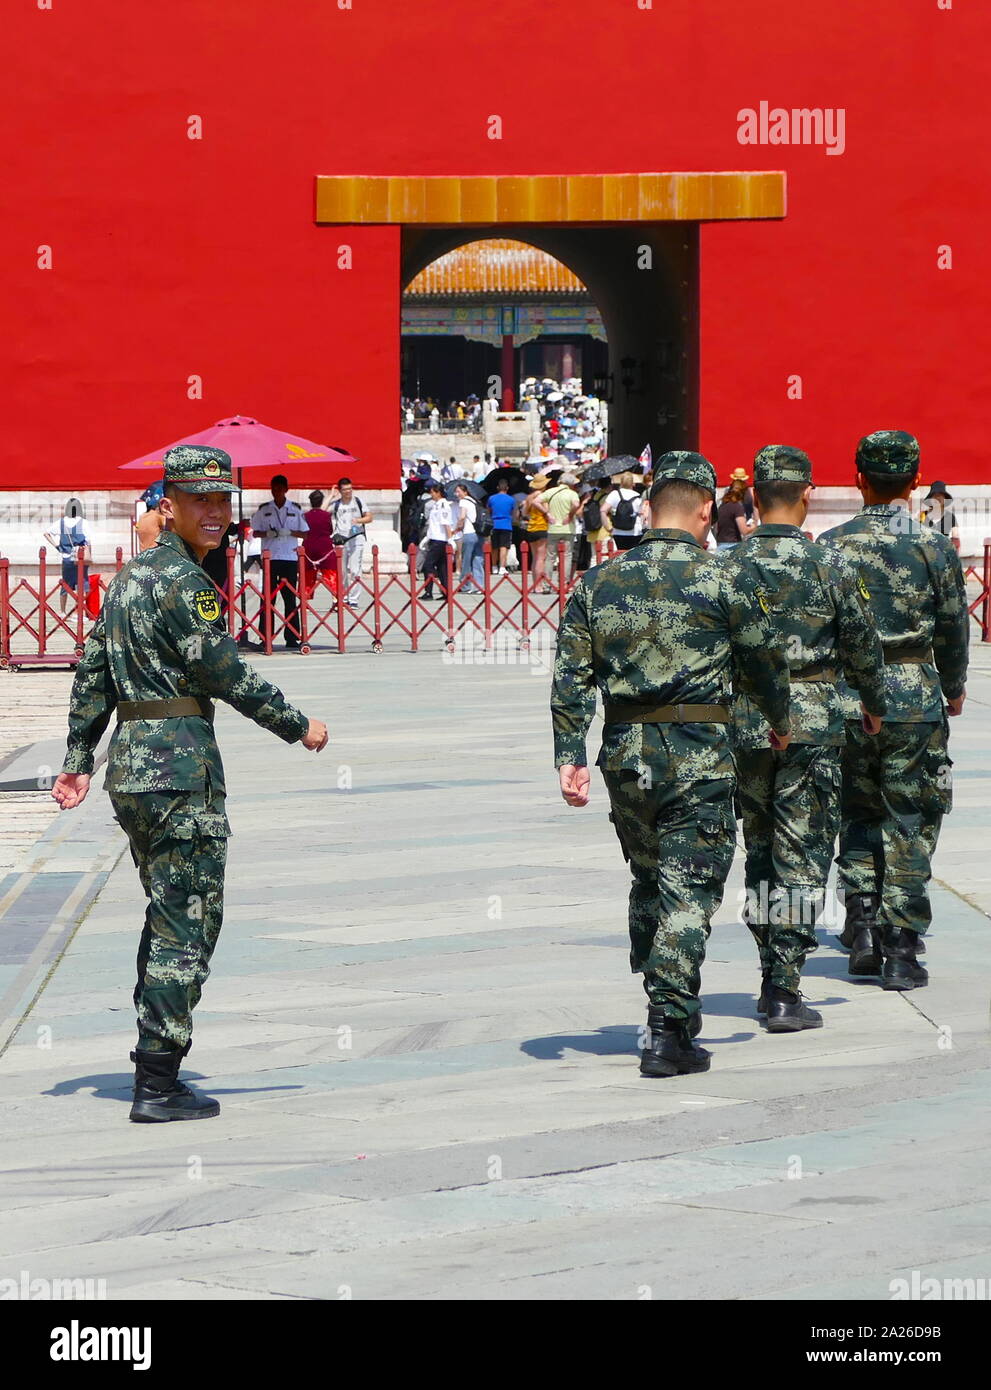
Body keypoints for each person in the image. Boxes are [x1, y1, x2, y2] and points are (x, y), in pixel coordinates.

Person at [50, 445, 328, 1123]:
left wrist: (79, 757)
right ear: (168, 507)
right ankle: (158, 1081)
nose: (214, 512)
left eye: (222, 500)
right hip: (178, 771)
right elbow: (223, 671)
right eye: (198, 500)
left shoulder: (127, 580)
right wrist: (298, 725)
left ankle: (154, 1063)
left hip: (133, 770)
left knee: (166, 911)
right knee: (189, 921)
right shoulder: (186, 584)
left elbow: (92, 674)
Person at [551, 452, 791, 1078]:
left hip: (625, 755)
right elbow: (765, 662)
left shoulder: (597, 583)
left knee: (650, 877)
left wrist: (569, 754)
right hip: (698, 752)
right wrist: (779, 719)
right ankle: (668, 1025)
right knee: (690, 890)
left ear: (652, 505)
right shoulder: (725, 579)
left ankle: (665, 996)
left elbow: (570, 678)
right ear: (707, 510)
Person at [720, 446, 887, 1028]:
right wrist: (872, 703)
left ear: (754, 494)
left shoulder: (728, 564)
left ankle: (770, 963)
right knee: (803, 854)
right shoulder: (829, 564)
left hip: (744, 723)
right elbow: (863, 644)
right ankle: (784, 986)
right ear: (807, 492)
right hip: (814, 723)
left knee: (760, 848)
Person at [819, 431, 969, 990]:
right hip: (913, 697)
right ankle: (901, 946)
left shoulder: (831, 544)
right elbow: (953, 625)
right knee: (911, 816)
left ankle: (861, 925)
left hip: (847, 696)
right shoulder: (933, 546)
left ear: (858, 478)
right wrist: (953, 685)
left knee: (855, 809)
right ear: (916, 480)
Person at [249, 475, 309, 648]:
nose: (276, 492)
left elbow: (305, 533)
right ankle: (265, 636)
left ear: (286, 489)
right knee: (268, 598)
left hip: (289, 558)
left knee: (290, 598)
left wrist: (289, 532)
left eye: (279, 489)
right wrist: (267, 533)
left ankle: (292, 636)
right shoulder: (264, 509)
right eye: (274, 488)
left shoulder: (295, 509)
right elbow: (255, 532)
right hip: (271, 558)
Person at [45, 500, 93, 614]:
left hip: (66, 557)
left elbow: (46, 533)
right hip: (80, 557)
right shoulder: (83, 522)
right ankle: (79, 612)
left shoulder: (61, 522)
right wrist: (89, 555)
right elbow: (88, 541)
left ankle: (63, 611)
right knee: (81, 584)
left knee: (65, 584)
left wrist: (57, 546)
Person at [330, 477, 372, 607]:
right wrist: (331, 496)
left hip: (356, 537)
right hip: (341, 539)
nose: (348, 492)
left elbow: (369, 517)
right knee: (341, 571)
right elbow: (322, 509)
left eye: (350, 489)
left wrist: (359, 521)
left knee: (355, 570)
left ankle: (354, 599)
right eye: (345, 490)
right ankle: (344, 596)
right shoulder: (337, 505)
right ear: (340, 491)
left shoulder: (358, 502)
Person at [543, 469, 581, 583]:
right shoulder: (572, 494)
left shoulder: (551, 491)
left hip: (553, 528)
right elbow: (576, 505)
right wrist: (570, 515)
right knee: (567, 556)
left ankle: (547, 583)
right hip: (568, 528)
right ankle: (564, 582)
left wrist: (547, 513)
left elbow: (536, 501)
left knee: (550, 557)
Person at [421, 481, 452, 600]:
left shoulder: (443, 505)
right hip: (434, 538)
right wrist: (427, 538)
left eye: (433, 492)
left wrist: (450, 539)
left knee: (428, 565)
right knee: (442, 567)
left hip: (440, 540)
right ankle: (446, 591)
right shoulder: (436, 505)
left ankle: (428, 591)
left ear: (438, 493)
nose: (431, 494)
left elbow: (446, 523)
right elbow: (434, 524)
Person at [600, 470, 644, 552]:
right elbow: (642, 513)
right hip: (635, 531)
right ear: (633, 483)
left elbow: (602, 510)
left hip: (618, 531)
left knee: (620, 555)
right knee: (633, 556)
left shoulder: (614, 494)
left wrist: (607, 527)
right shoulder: (637, 496)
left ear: (621, 482)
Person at [521, 473, 551, 592]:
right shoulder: (542, 496)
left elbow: (524, 513)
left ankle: (535, 585)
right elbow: (546, 510)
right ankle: (539, 585)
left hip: (531, 528)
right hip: (541, 527)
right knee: (541, 558)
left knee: (535, 558)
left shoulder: (529, 497)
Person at [453, 483, 484, 594]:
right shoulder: (474, 501)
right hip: (478, 533)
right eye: (456, 492)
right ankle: (479, 586)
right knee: (477, 559)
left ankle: (465, 585)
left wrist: (457, 528)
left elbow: (462, 517)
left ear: (465, 492)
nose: (457, 494)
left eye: (458, 492)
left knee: (466, 560)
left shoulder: (463, 501)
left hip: (469, 533)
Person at [919, 480, 960, 551]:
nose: (937, 498)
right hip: (925, 552)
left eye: (940, 495)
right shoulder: (922, 515)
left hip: (944, 551)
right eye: (935, 495)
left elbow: (956, 538)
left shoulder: (950, 516)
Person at [713, 478, 751, 549]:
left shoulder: (722, 505)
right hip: (733, 545)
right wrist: (754, 527)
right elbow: (744, 531)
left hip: (720, 545)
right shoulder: (737, 507)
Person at [488, 477, 515, 575]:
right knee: (504, 546)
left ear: (497, 487)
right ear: (507, 488)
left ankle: (494, 566)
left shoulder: (491, 498)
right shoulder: (511, 499)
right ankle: (502, 567)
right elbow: (513, 512)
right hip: (506, 524)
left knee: (494, 546)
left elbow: (489, 510)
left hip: (494, 524)